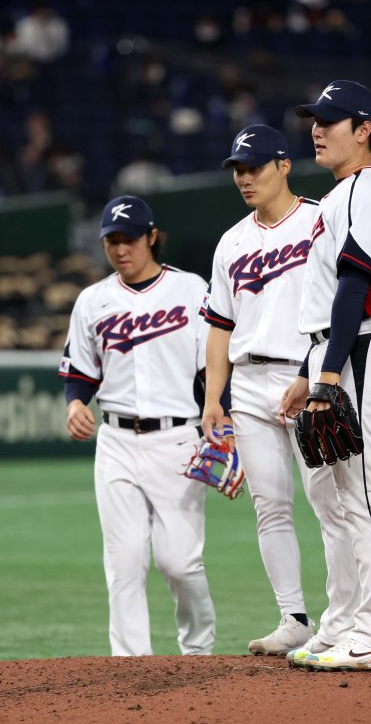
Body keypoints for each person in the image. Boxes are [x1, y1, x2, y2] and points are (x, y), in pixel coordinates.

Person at [202, 124, 358, 658]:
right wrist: (212, 400)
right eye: (238, 170)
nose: (245, 179)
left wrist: (320, 374)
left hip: (307, 374)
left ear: (284, 166)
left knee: (331, 502)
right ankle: (293, 616)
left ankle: (346, 622)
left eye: (255, 167)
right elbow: (220, 325)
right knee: (269, 504)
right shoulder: (232, 240)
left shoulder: (320, 220)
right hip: (246, 382)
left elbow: (347, 304)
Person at [279, 79, 371, 671]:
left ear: (364, 131)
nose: (316, 129)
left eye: (330, 121)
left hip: (362, 347)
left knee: (361, 494)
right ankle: (343, 624)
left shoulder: (366, 189)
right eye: (314, 119)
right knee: (332, 499)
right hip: (336, 350)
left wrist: (328, 372)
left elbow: (356, 286)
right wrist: (314, 372)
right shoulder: (340, 194)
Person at [59, 195, 216, 656]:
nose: (121, 249)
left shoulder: (191, 290)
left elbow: (213, 365)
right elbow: (80, 371)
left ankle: (199, 652)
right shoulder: (93, 300)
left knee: (180, 564)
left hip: (178, 437)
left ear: (152, 237)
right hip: (116, 441)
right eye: (112, 241)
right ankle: (130, 666)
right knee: (124, 562)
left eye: (129, 239)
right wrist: (74, 405)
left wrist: (220, 418)